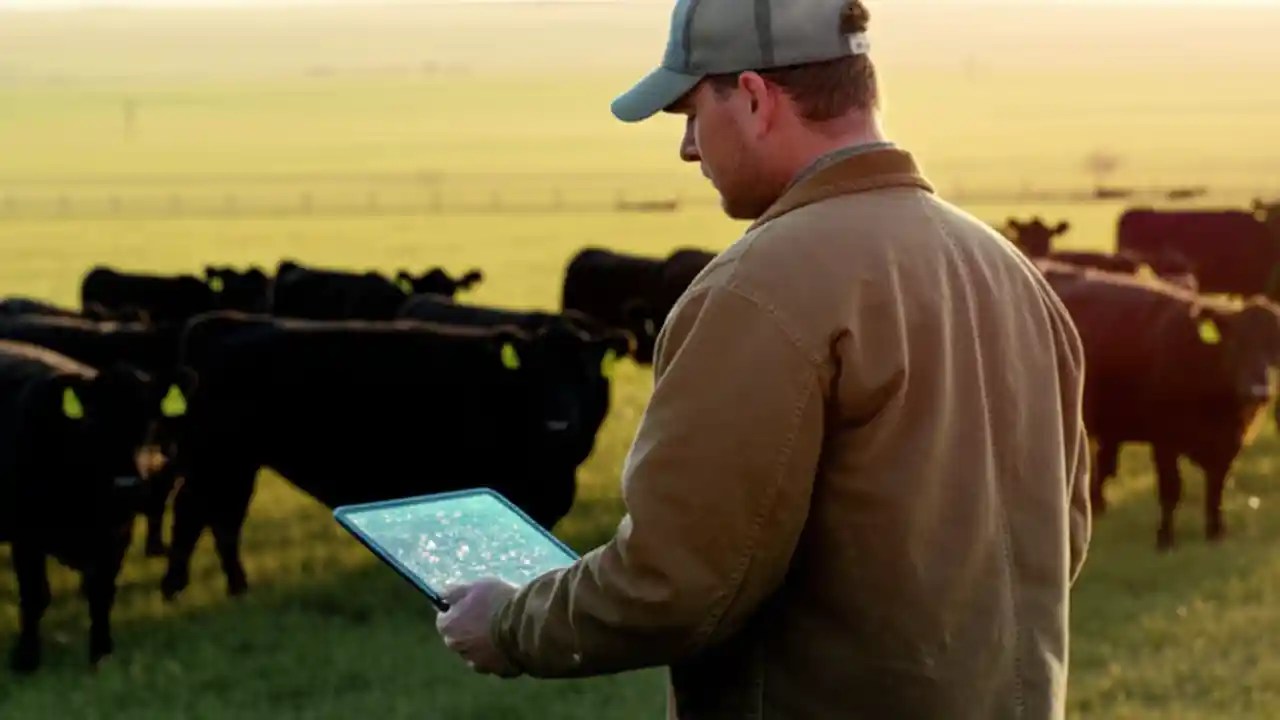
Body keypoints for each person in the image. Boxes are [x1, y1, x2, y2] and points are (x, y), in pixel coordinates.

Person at [436, 0, 1092, 717]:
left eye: (689, 113)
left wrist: (510, 622)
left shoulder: (756, 290)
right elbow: (1061, 541)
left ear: (752, 98)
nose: (688, 148)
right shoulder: (1010, 273)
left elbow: (674, 582)